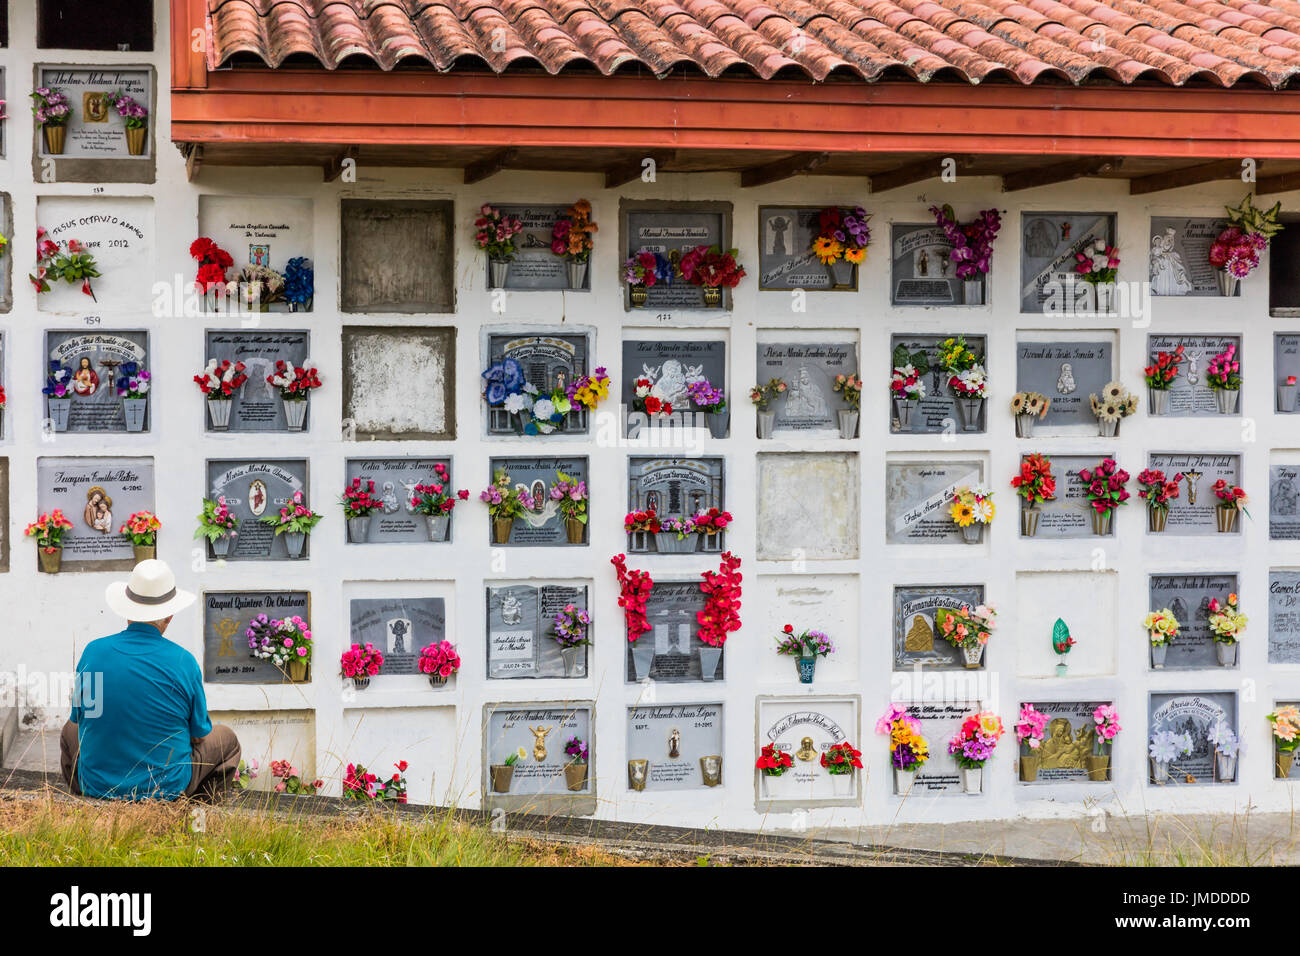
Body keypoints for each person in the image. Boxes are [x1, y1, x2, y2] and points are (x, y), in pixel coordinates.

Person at [60, 559, 241, 801]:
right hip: (166, 787)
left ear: (127, 611)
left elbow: (81, 718)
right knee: (226, 739)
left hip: (98, 784)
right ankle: (197, 813)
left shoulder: (93, 652)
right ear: (169, 616)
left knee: (70, 730)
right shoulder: (183, 661)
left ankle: (86, 799)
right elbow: (199, 733)